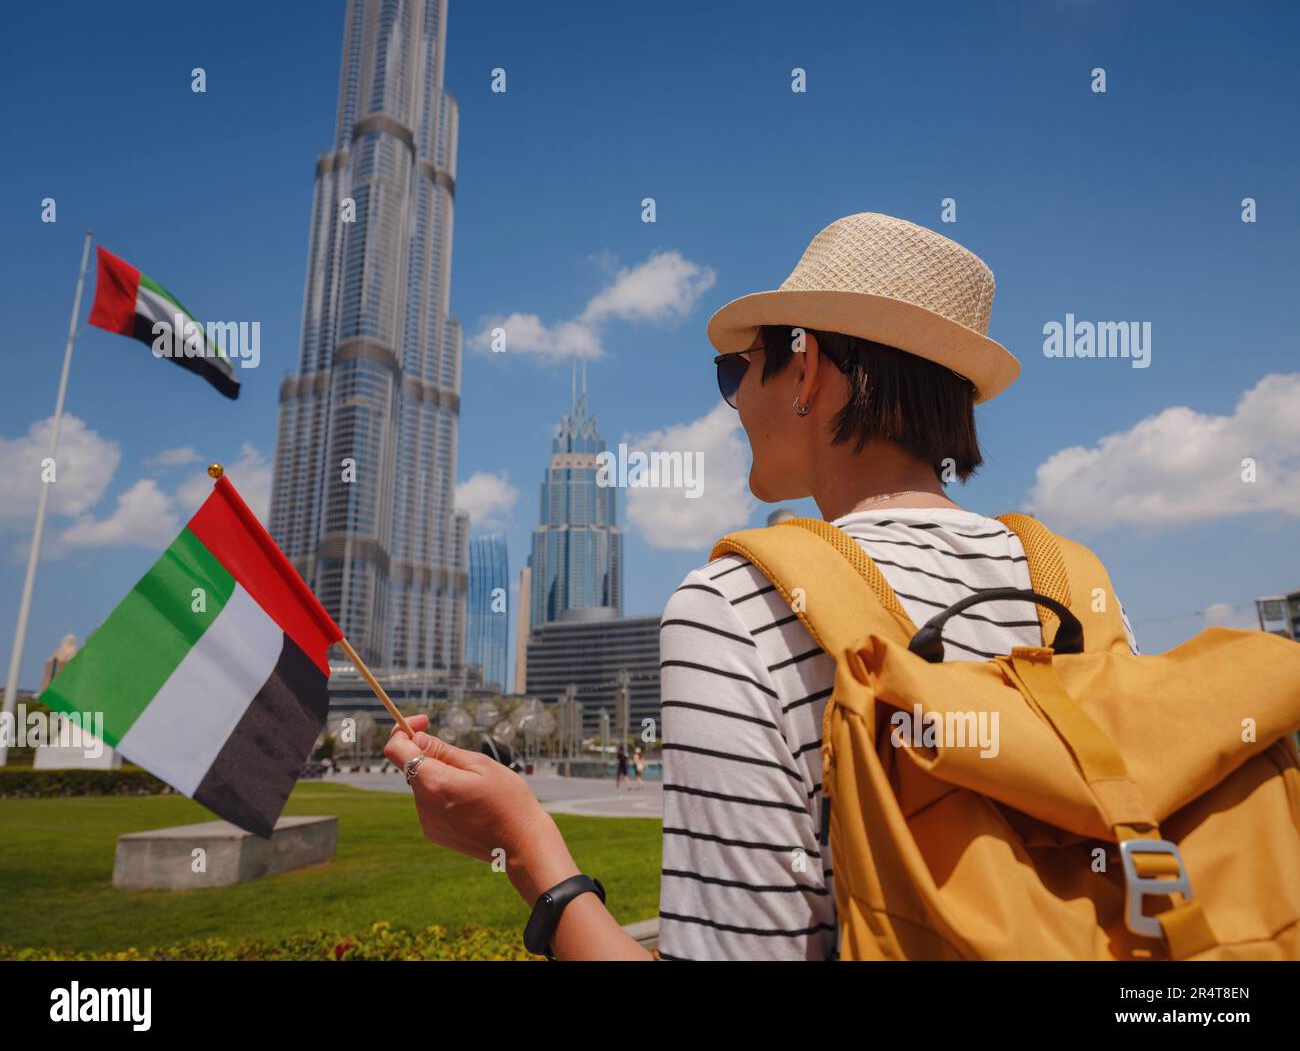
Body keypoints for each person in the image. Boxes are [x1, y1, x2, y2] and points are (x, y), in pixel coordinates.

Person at [383, 212, 1139, 961]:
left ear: (806, 368)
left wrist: (524, 846)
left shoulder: (738, 606)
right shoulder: (1076, 587)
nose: (736, 398)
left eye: (735, 370)